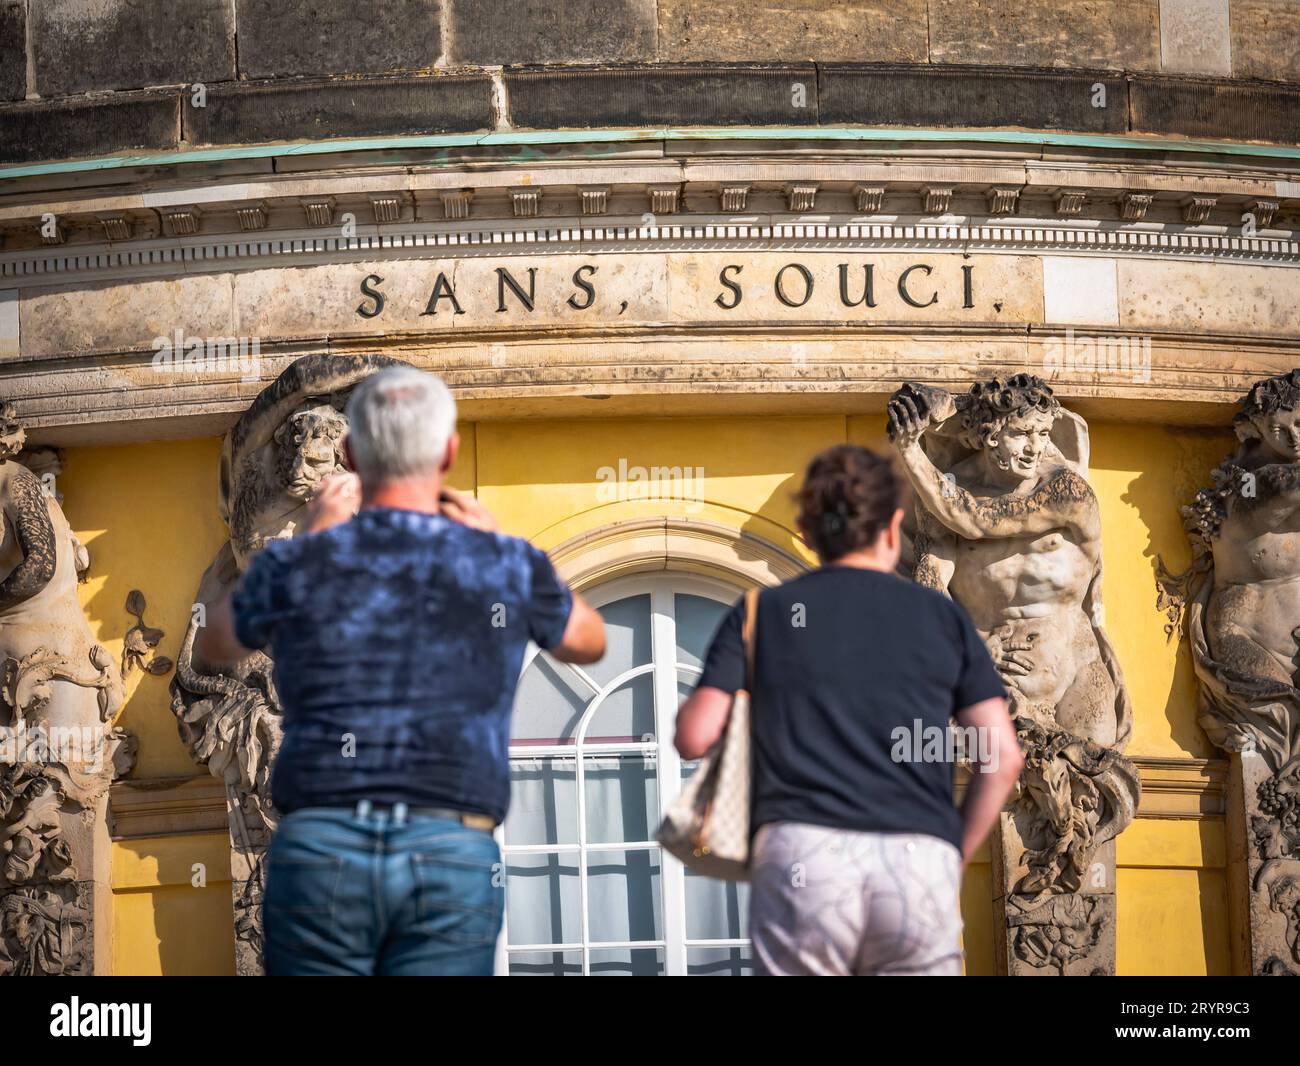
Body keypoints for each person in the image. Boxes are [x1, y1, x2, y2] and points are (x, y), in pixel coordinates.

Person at [194, 366, 606, 976]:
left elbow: (216, 642)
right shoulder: (495, 560)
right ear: (449, 452)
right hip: (446, 849)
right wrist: (505, 551)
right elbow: (587, 640)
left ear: (354, 457)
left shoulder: (304, 560)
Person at [675, 444, 1021, 976]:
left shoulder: (763, 612)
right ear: (893, 527)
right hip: (916, 860)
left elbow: (695, 736)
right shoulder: (941, 618)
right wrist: (950, 850)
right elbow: (1001, 757)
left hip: (804, 856)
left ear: (807, 533)